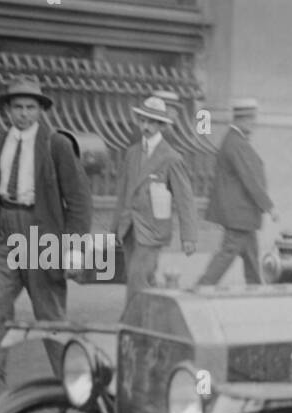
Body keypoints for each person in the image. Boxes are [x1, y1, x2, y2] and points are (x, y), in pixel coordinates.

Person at [0, 76, 92, 413]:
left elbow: (79, 201)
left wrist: (74, 250)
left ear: (41, 111)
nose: (24, 114)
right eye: (17, 107)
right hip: (4, 233)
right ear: (7, 110)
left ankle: (75, 388)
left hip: (42, 234)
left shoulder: (57, 145)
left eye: (31, 107)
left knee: (50, 317)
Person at [111, 94, 198, 305]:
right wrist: (115, 229)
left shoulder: (171, 157)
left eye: (151, 122)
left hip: (152, 229)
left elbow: (185, 199)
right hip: (129, 226)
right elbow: (123, 193)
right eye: (143, 120)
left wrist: (189, 236)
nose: (146, 126)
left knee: (137, 278)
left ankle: (130, 323)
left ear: (161, 125)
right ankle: (159, 314)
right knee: (144, 278)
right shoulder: (132, 153)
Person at [196, 98, 278, 286]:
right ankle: (202, 287)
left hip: (241, 214)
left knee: (250, 256)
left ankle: (256, 291)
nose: (254, 124)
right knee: (227, 253)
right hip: (239, 213)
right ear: (242, 120)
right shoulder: (237, 143)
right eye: (252, 119)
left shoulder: (234, 140)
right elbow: (251, 179)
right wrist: (269, 207)